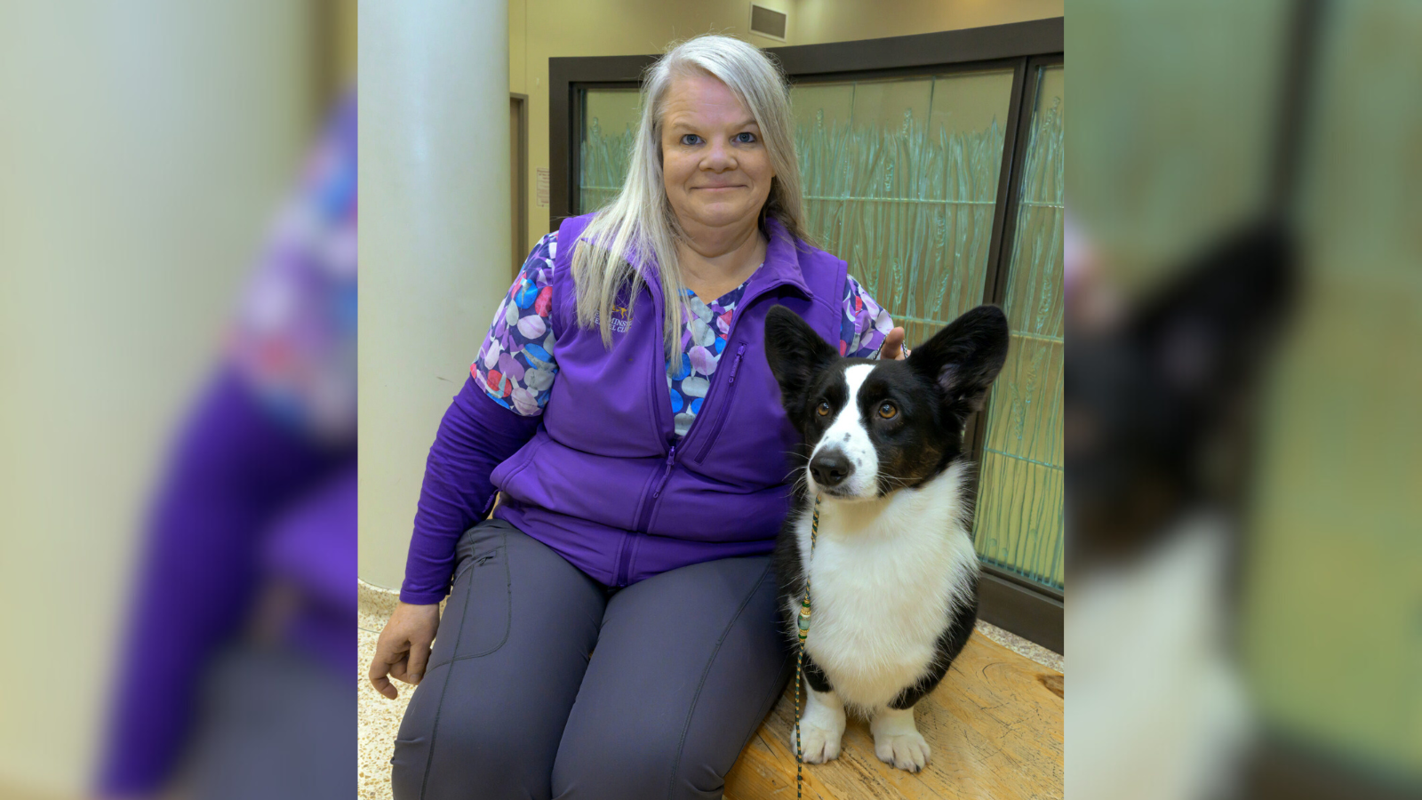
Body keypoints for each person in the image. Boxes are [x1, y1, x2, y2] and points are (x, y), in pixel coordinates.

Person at [369, 35, 904, 800]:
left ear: (776, 153)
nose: (717, 158)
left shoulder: (831, 304)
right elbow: (473, 435)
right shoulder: (570, 265)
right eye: (690, 137)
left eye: (745, 136)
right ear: (655, 152)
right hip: (546, 537)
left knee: (631, 769)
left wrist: (895, 405)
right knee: (460, 746)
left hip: (716, 559)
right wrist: (419, 594)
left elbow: (885, 460)